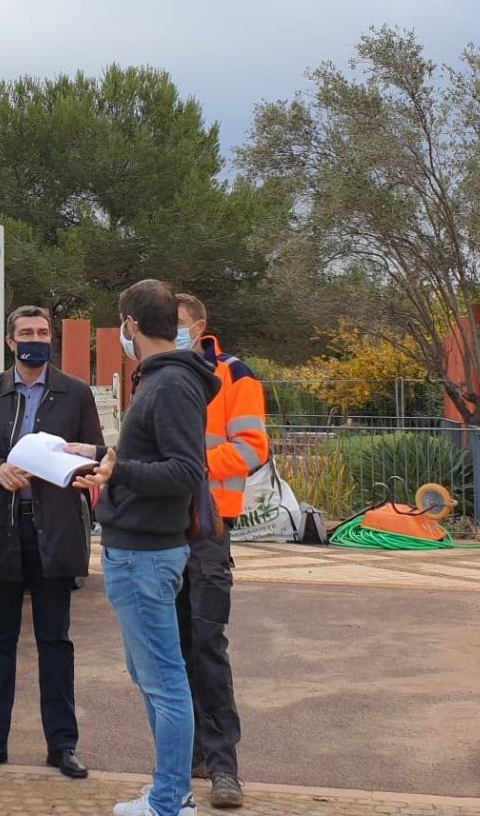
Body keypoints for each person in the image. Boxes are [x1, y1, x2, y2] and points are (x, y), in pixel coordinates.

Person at [72, 279, 217, 816]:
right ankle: (168, 795)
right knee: (152, 676)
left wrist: (118, 471)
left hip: (145, 554)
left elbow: (183, 471)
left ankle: (169, 801)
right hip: (137, 550)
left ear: (130, 325)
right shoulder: (163, 379)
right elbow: (151, 454)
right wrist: (96, 452)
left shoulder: (172, 384)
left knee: (164, 681)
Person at [0, 305, 106, 779]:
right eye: (26, 333)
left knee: (55, 641)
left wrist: (79, 467)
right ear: (9, 342)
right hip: (1, 530)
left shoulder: (75, 393)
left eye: (42, 332)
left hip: (55, 532)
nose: (35, 338)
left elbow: (95, 453)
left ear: (51, 339)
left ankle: (62, 745)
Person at [172, 293, 269, 809]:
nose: (171, 332)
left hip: (207, 528)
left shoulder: (236, 375)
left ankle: (222, 765)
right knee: (173, 649)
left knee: (206, 646)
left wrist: (189, 464)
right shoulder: (152, 373)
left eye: (178, 324)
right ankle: (185, 757)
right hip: (161, 528)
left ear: (200, 326)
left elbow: (252, 448)